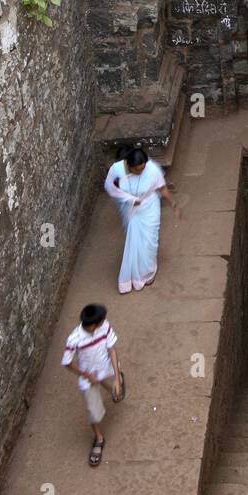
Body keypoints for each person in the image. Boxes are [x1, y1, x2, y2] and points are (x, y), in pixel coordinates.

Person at [104, 145, 180, 294]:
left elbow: (162, 188)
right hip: (132, 209)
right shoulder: (116, 169)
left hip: (150, 207)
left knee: (149, 241)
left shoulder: (152, 169)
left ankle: (148, 272)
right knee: (134, 241)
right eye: (137, 170)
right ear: (128, 164)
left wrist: (174, 203)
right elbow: (109, 187)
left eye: (143, 168)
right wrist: (130, 199)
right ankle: (131, 278)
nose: (142, 172)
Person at [62, 303, 124, 467]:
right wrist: (87, 375)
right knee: (93, 411)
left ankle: (114, 385)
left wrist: (117, 378)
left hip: (106, 367)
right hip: (89, 376)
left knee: (112, 383)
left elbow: (112, 350)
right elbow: (67, 362)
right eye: (102, 321)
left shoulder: (105, 326)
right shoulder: (74, 339)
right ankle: (99, 438)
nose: (105, 322)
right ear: (94, 324)